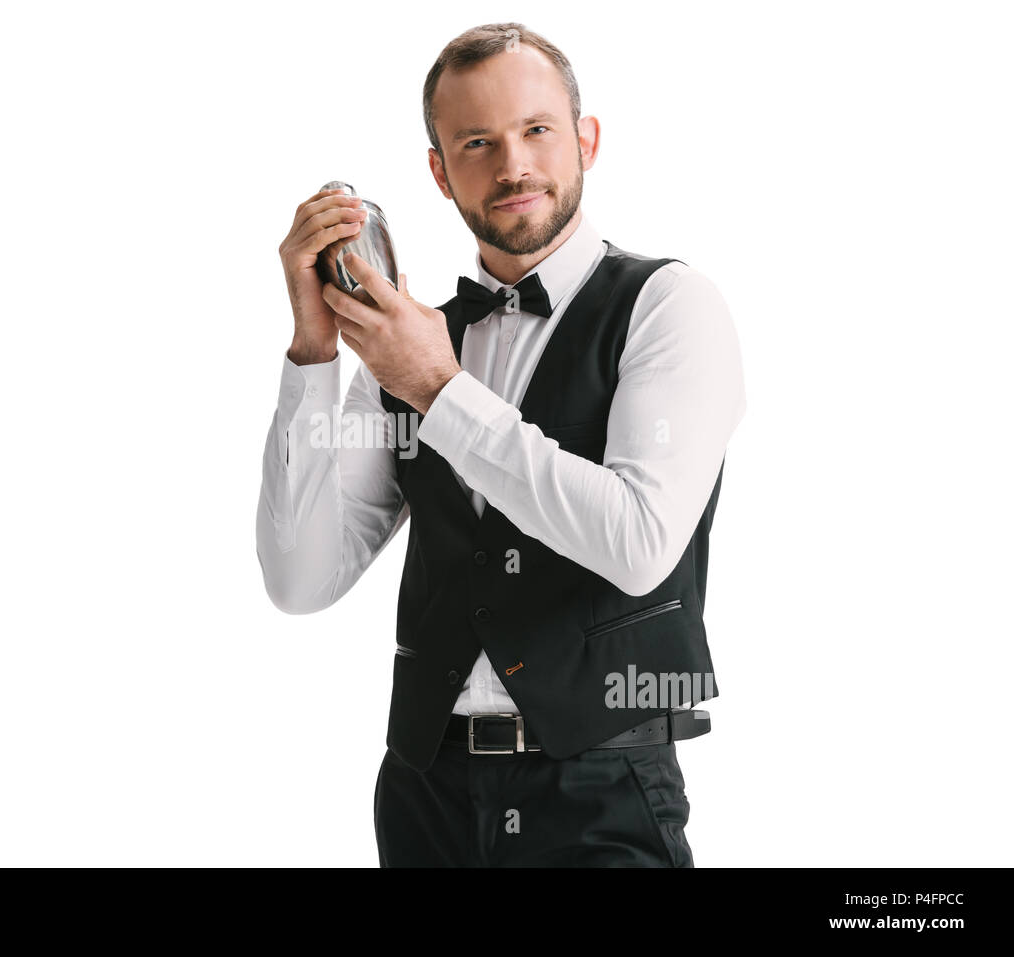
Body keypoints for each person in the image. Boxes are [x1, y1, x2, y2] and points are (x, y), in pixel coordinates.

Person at [255, 22, 746, 867]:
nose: (513, 165)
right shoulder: (407, 343)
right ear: (440, 171)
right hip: (424, 791)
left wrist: (441, 392)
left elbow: (637, 546)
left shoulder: (670, 306)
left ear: (586, 139)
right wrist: (315, 354)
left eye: (537, 130)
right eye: (477, 142)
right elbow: (300, 581)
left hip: (600, 788)